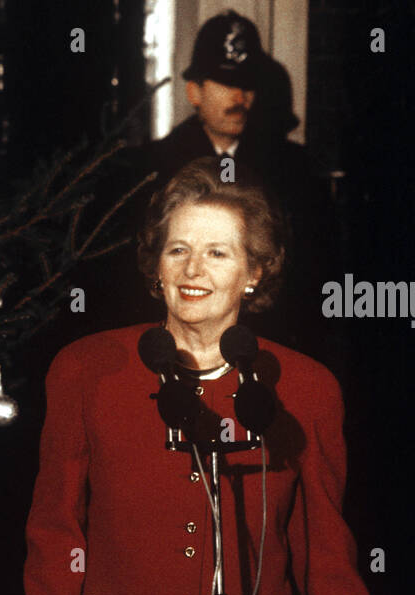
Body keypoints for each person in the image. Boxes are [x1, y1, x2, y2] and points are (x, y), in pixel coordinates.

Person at [17, 157, 381, 595]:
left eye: (218, 251)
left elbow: (324, 545)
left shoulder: (303, 389)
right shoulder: (88, 371)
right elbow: (54, 531)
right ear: (154, 267)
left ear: (255, 272)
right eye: (176, 248)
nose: (194, 268)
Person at [91, 10, 335, 357]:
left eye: (247, 84)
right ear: (194, 91)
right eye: (226, 83)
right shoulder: (146, 173)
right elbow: (125, 285)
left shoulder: (295, 173)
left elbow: (314, 281)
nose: (240, 97)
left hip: (270, 350)